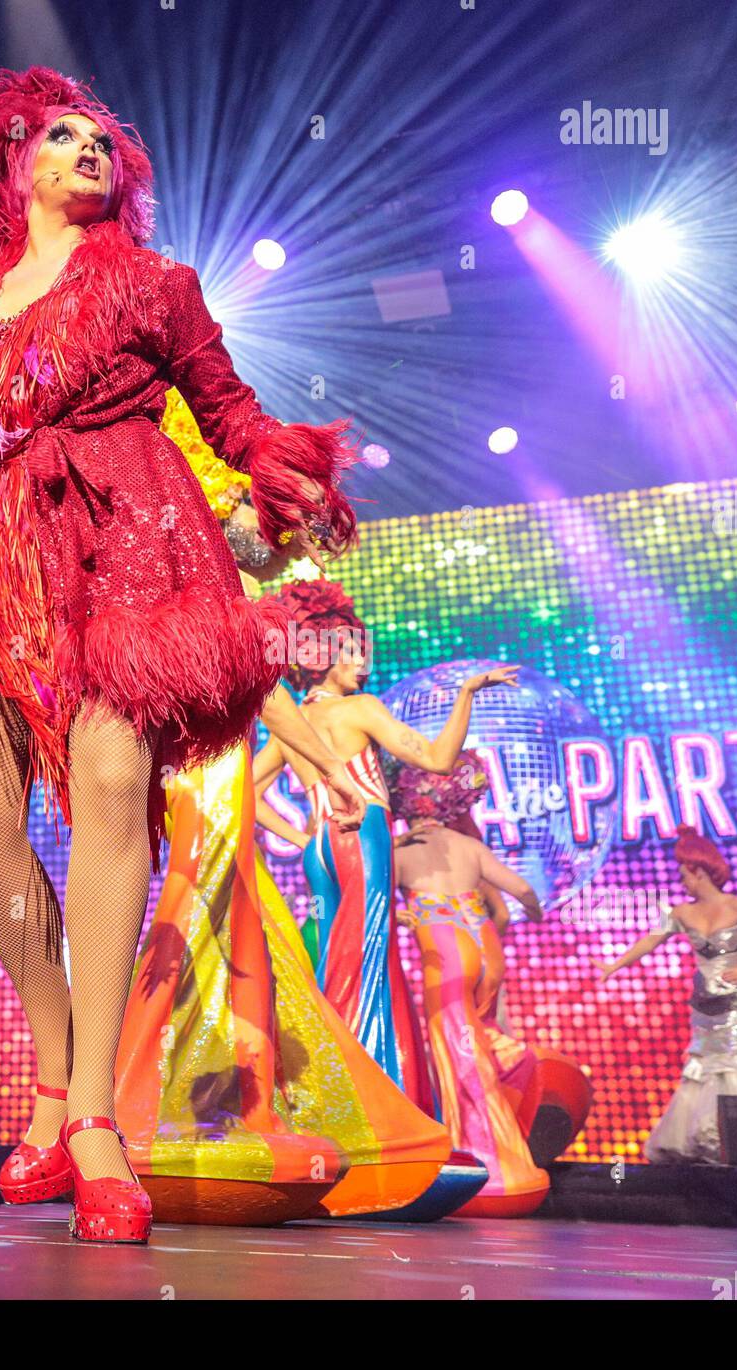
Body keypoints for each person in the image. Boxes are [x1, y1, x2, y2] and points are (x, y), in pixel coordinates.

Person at [0, 67, 357, 1243]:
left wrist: (282, 466)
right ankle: (56, 1074)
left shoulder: (157, 284)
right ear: (15, 166)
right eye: (63, 136)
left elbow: (228, 406)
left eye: (103, 138)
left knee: (111, 781)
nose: (89, 148)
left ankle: (98, 1117)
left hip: (128, 547)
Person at [106, 392, 454, 1221]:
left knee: (248, 935)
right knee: (199, 917)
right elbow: (261, 706)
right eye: (275, 540)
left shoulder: (227, 607)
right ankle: (140, 1106)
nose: (284, 558)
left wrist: (325, 778)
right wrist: (323, 776)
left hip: (222, 779)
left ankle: (233, 1105)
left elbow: (271, 705)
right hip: (198, 781)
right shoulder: (185, 589)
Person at [253, 583, 517, 1116]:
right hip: (362, 838)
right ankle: (371, 1105)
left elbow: (245, 795)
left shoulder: (290, 728)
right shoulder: (360, 709)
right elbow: (441, 760)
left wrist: (304, 839)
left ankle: (325, 1094)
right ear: (325, 655)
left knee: (332, 962)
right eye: (353, 652)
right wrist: (466, 693)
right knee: (370, 964)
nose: (363, 665)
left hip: (320, 850)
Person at [599, 824, 737, 1164]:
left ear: (699, 871)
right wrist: (614, 966)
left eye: (684, 874)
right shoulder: (681, 913)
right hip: (704, 1008)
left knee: (734, 1063)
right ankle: (708, 1136)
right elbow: (650, 941)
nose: (681, 882)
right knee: (702, 1068)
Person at [392, 752, 554, 1216]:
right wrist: (539, 914)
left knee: (459, 1056)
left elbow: (371, 900)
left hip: (448, 956)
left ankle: (490, 1167)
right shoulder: (468, 847)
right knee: (483, 1041)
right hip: (486, 950)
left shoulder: (399, 850)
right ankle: (514, 1096)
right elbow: (521, 892)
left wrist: (404, 916)